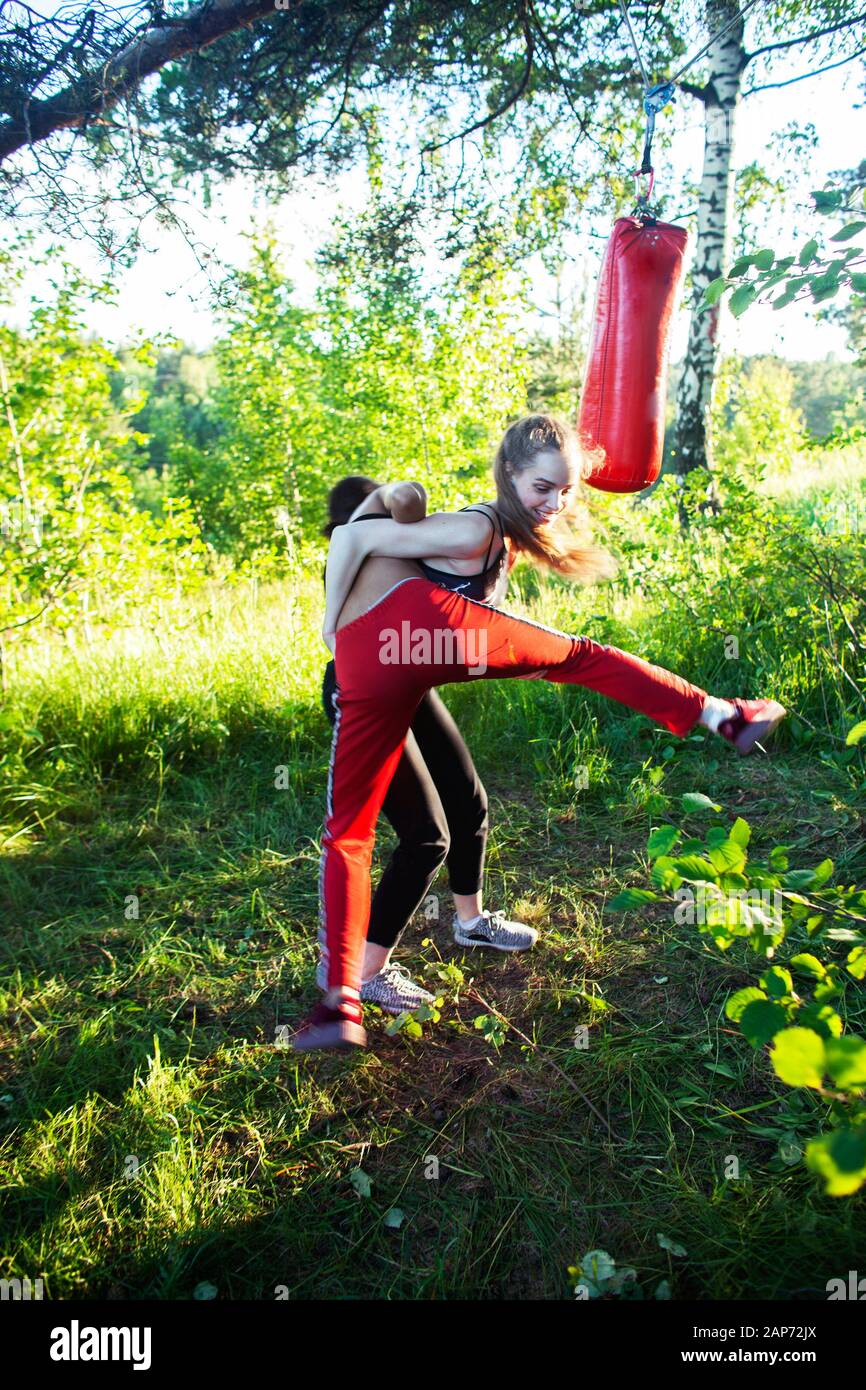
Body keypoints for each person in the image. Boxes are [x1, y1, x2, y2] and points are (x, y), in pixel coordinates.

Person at [294, 414, 786, 1052]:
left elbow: (383, 544)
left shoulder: (500, 540)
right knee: (580, 658)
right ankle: (725, 715)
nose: (554, 503)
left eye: (565, 492)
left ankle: (342, 1001)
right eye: (542, 488)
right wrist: (332, 623)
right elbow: (348, 543)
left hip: (391, 663)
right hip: (395, 640)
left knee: (363, 829)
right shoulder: (477, 527)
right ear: (509, 476)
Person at [317, 474, 537, 1017]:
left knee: (469, 802)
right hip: (364, 696)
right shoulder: (353, 560)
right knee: (425, 838)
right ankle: (366, 973)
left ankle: (471, 923)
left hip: (412, 686)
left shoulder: (402, 550)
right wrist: (400, 498)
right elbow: (401, 499)